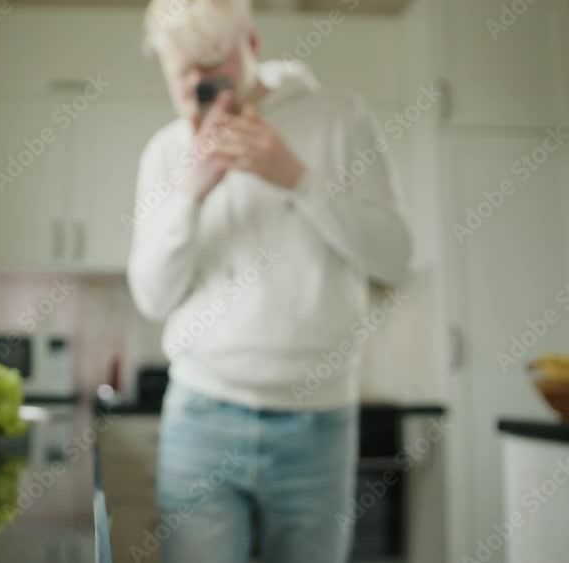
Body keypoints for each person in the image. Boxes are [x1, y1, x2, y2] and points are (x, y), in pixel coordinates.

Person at [126, 1, 413, 561]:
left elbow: (395, 258)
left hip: (320, 423)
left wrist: (298, 180)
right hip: (200, 419)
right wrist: (190, 193)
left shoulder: (340, 119)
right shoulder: (164, 153)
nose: (198, 84)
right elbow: (152, 298)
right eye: (181, 70)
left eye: (212, 64)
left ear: (251, 46)